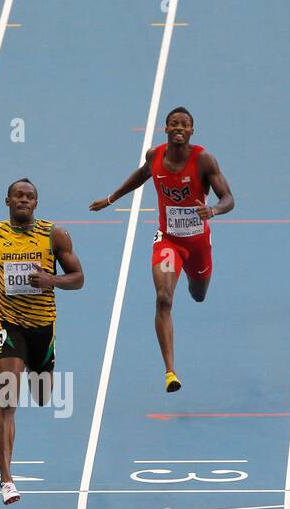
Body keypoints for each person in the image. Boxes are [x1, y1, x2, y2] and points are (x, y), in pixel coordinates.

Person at [90, 107, 233, 392]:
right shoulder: (155, 156)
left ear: (192, 131)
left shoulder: (204, 160)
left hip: (198, 242)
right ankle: (170, 371)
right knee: (164, 298)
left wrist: (214, 210)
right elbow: (141, 175)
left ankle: (197, 280)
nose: (179, 128)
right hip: (169, 240)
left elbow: (229, 198)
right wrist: (111, 198)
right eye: (173, 124)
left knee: (198, 294)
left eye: (185, 125)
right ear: (165, 129)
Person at [0, 179, 83, 504]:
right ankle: (6, 480)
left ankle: (40, 373)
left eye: (30, 197)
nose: (24, 200)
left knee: (40, 395)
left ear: (36, 203)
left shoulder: (55, 235)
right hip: (9, 325)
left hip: (42, 326)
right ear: (7, 199)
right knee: (7, 401)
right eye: (19, 196)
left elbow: (78, 278)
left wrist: (51, 279)